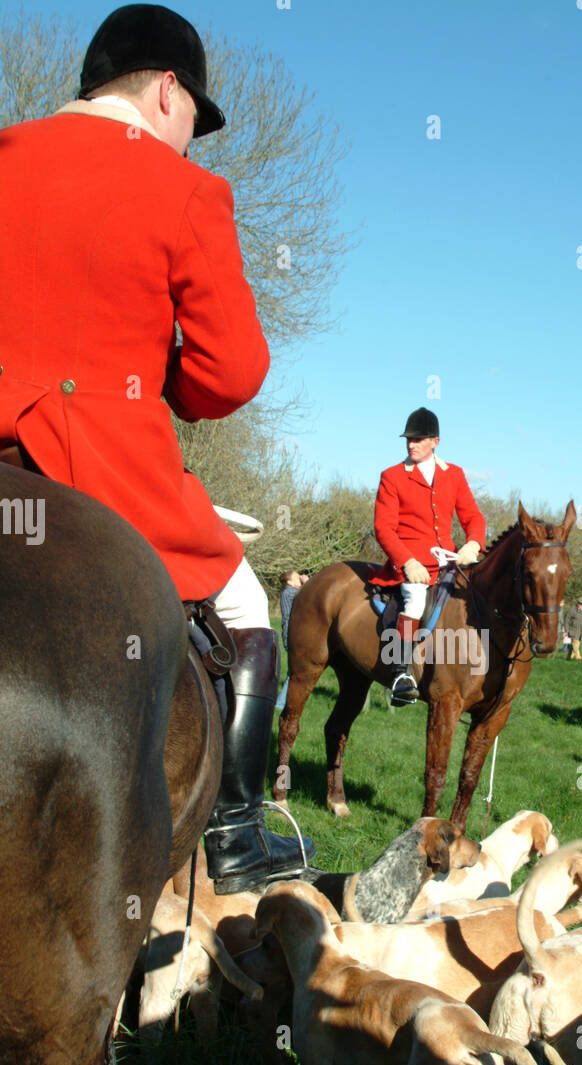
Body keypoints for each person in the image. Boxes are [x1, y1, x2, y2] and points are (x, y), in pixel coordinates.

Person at [0, 4, 313, 892]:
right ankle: (237, 836)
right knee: (250, 613)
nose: (194, 143)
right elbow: (232, 372)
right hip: (104, 466)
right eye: (195, 123)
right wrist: (161, 369)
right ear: (168, 90)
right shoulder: (182, 190)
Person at [372, 407, 486, 704]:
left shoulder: (454, 475)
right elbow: (383, 528)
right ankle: (401, 673)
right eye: (408, 439)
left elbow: (473, 517)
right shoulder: (392, 476)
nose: (411, 444)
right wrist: (407, 562)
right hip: (409, 565)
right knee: (415, 600)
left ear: (435, 441)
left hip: (448, 561)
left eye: (419, 439)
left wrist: (473, 543)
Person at [276, 570, 303, 710]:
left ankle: (283, 704)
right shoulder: (289, 593)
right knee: (293, 673)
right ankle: (281, 704)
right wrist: (308, 582)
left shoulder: (291, 592)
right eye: (297, 578)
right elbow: (305, 595)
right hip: (290, 636)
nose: (300, 579)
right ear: (289, 582)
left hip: (291, 635)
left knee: (292, 673)